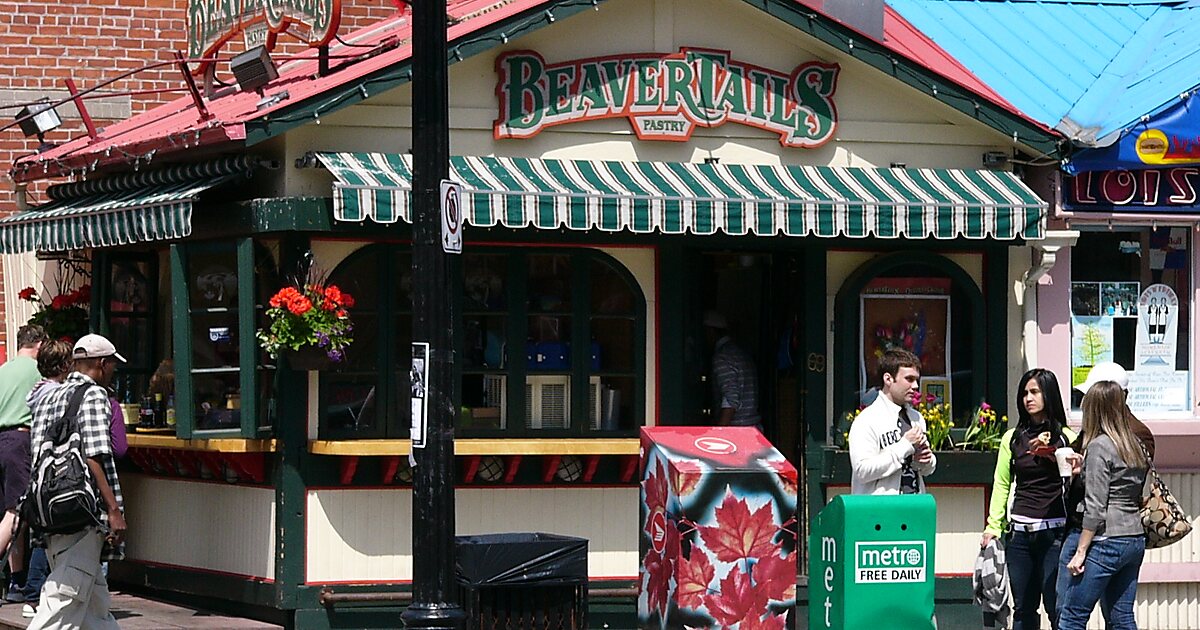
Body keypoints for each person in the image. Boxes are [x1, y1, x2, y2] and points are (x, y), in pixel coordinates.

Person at [26, 334, 126, 630]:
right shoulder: (94, 395)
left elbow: (37, 451)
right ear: (102, 363)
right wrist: (114, 510)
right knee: (63, 601)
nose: (113, 371)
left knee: (94, 609)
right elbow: (95, 455)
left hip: (50, 507)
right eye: (112, 365)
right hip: (82, 512)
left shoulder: (48, 394)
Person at [1056, 362, 1154, 628]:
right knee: (1122, 617)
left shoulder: (1099, 446)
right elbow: (1130, 486)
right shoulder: (1135, 442)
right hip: (1133, 536)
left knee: (1072, 617)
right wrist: (1086, 468)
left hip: (1106, 538)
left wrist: (1081, 551)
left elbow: (1096, 507)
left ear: (1094, 408)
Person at [980, 368, 1076, 629]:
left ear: (1049, 394)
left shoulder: (1067, 437)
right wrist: (993, 526)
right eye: (1024, 393)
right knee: (1023, 608)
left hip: (1055, 533)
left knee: (1057, 608)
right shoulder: (1012, 438)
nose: (1028, 398)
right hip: (1020, 535)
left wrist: (1055, 456)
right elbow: (1001, 483)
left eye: (1034, 392)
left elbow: (1078, 482)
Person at [20, 339, 73, 618]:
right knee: (49, 535)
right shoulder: (57, 395)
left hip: (38, 468)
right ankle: (35, 594)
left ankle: (33, 594)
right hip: (54, 470)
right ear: (64, 366)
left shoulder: (39, 393)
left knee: (43, 534)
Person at [0, 324, 48, 602]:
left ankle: (16, 580)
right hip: (21, 440)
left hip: (1, 440)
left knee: (9, 513)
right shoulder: (38, 371)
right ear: (40, 345)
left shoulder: (3, 370)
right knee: (15, 513)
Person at [849, 348, 936, 494]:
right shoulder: (867, 420)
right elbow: (862, 471)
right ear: (888, 379)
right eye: (909, 379)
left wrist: (926, 461)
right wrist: (905, 445)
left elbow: (927, 469)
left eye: (916, 380)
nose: (915, 386)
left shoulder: (916, 417)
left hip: (915, 503)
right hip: (881, 506)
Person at [703, 311, 761, 428]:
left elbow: (731, 399)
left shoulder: (722, 357)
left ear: (711, 331)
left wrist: (720, 432)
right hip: (752, 428)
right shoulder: (741, 353)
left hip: (737, 430)